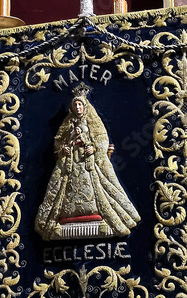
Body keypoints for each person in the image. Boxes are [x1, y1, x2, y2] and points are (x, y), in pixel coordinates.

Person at [34, 85, 140, 241]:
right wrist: (64, 149)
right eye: (75, 105)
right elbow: (59, 142)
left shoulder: (92, 121)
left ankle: (100, 216)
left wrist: (93, 147)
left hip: (88, 163)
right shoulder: (68, 123)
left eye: (80, 104)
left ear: (84, 106)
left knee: (96, 188)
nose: (77, 107)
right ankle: (65, 219)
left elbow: (102, 139)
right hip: (71, 163)